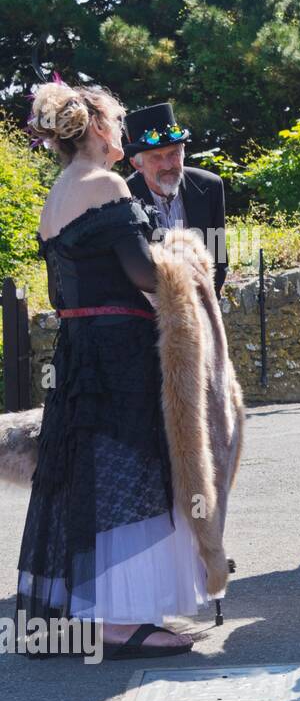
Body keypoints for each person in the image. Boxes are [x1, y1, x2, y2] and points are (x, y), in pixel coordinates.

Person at [18, 81, 238, 659]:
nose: (122, 130)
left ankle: (101, 612)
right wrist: (183, 253)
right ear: (94, 129)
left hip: (81, 349)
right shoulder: (107, 183)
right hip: (121, 353)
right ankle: (121, 618)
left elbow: (59, 288)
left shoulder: (59, 192)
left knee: (95, 474)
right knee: (134, 472)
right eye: (116, 121)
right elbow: (143, 273)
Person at [123, 102, 229, 292]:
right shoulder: (125, 197)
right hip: (147, 310)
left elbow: (218, 259)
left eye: (173, 153)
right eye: (156, 157)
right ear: (136, 164)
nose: (167, 165)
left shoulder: (209, 186)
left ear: (183, 151)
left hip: (200, 303)